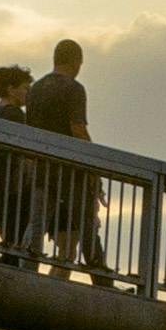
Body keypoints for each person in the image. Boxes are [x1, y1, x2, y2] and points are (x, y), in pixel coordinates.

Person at [26, 38, 114, 282]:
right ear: (77, 61)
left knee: (37, 223)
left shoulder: (36, 89)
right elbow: (77, 128)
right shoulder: (74, 89)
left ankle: (25, 270)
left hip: (44, 166)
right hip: (71, 170)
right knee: (86, 224)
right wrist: (93, 161)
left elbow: (30, 130)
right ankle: (102, 280)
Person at [0, 63, 40, 267]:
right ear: (11, 89)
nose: (28, 93)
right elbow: (24, 153)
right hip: (13, 189)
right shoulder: (15, 114)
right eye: (25, 88)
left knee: (12, 244)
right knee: (18, 245)